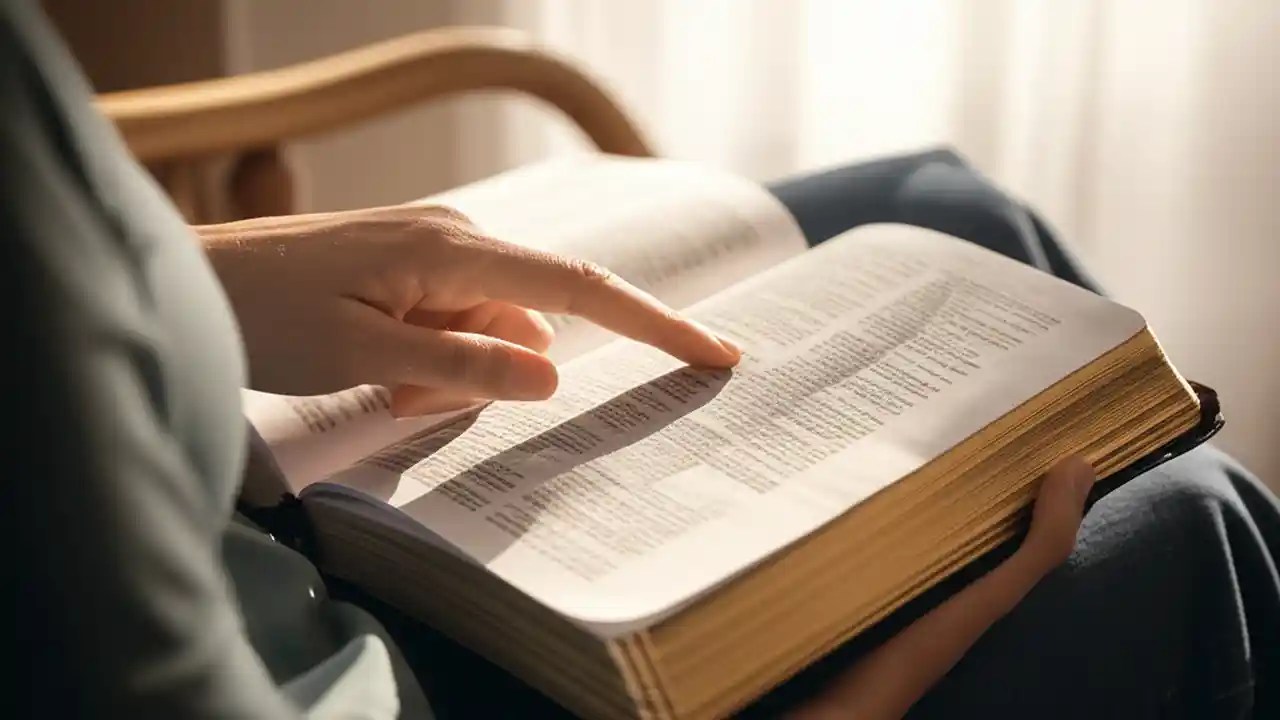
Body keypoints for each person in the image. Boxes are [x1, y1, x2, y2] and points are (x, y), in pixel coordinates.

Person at [5, 1, 1277, 718]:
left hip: (225, 501)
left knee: (947, 207)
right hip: (351, 664)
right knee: (1184, 519)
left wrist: (202, 268)